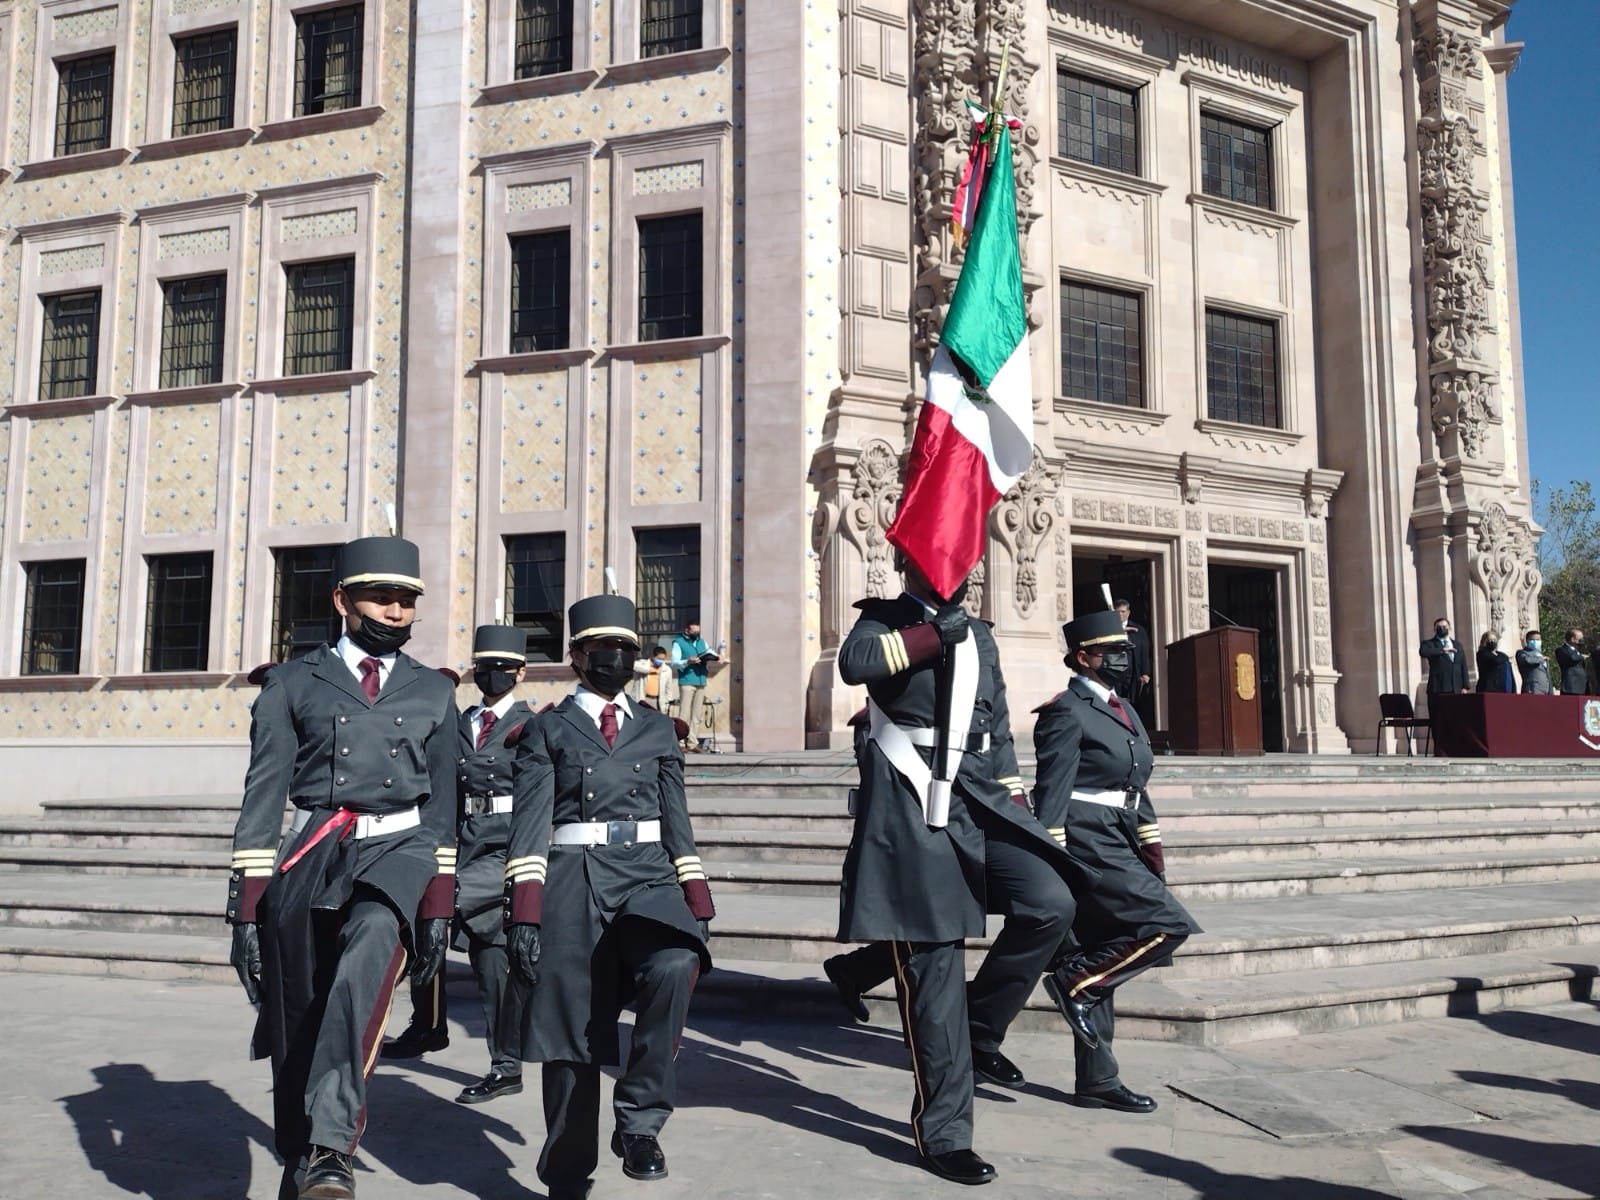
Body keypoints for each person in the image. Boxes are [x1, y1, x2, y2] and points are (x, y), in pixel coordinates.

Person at [835, 557, 1095, 1187]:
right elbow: (856, 667)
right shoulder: (884, 619)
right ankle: (945, 1130)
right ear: (910, 563)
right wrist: (932, 635)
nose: (955, 568)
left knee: (1051, 901)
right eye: (938, 557)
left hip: (980, 798)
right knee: (934, 962)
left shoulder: (979, 632)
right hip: (911, 803)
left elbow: (997, 724)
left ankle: (979, 1029)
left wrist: (1013, 794)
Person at [226, 537, 459, 1200]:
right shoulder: (292, 683)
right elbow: (264, 792)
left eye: (407, 599)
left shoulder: (434, 692)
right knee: (299, 1006)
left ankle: (332, 1146)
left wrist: (437, 905)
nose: (395, 611)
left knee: (366, 954)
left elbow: (441, 809)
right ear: (341, 601)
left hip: (400, 853)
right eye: (381, 597)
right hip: (314, 852)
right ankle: (301, 1148)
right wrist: (246, 907)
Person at [505, 593, 714, 1200]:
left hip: (647, 875)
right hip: (573, 877)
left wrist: (696, 901)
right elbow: (529, 823)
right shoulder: (547, 728)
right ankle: (568, 1171)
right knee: (573, 1027)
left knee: (676, 963)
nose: (615, 659)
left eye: (625, 649)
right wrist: (525, 911)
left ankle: (641, 1122)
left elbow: (677, 819)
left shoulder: (656, 728)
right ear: (576, 655)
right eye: (602, 649)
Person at [1032, 605, 1200, 1116]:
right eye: (1112, 652)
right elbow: (1052, 794)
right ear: (1083, 657)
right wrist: (1057, 858)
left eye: (1126, 651)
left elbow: (1136, 789)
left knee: (1104, 947)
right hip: (1087, 839)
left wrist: (1152, 853)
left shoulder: (1123, 710)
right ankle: (1072, 985)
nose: (1123, 659)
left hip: (1120, 835)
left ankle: (1098, 1079)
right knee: (1166, 924)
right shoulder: (1067, 710)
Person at [382, 625, 534, 1107]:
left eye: (504, 669)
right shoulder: (461, 721)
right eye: (485, 668)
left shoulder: (536, 724)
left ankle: (491, 1055)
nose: (493, 676)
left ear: (521, 673)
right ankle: (477, 1051)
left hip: (509, 848)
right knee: (490, 961)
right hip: (464, 841)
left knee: (433, 910)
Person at [669, 619, 715, 752]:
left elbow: (710, 652)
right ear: (687, 631)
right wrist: (687, 661)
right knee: (684, 713)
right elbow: (674, 662)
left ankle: (692, 743)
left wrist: (718, 657)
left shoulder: (702, 642)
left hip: (701, 680)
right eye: (694, 631)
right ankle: (680, 743)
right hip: (687, 681)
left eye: (698, 631)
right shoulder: (679, 642)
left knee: (697, 714)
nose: (696, 633)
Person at [1114, 598, 1155, 729]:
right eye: (1118, 612)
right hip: (1116, 671)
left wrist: (1145, 672)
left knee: (1134, 702)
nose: (1120, 614)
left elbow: (1144, 651)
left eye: (1123, 611)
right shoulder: (1109, 629)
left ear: (1128, 612)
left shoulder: (1138, 630)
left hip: (1133, 671)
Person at [1419, 616, 1468, 696]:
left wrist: (1465, 686)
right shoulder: (1429, 644)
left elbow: (1463, 665)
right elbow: (1423, 652)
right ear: (1435, 629)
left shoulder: (1457, 645)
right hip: (1438, 688)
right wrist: (1442, 650)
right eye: (1439, 627)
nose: (1442, 629)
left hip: (1456, 688)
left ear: (1449, 628)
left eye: (1444, 627)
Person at [629, 644, 678, 711]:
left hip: (657, 700)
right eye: (659, 659)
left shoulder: (666, 670)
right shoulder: (643, 664)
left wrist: (668, 703)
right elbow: (634, 666)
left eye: (663, 659)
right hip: (643, 698)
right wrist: (651, 670)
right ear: (653, 656)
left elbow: (668, 688)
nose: (661, 661)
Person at [1516, 630, 1553, 694]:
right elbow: (1527, 661)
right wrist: (1541, 659)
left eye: (1538, 640)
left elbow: (1547, 675)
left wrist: (1551, 691)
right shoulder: (1522, 653)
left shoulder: (1540, 654)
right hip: (1532, 688)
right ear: (1527, 641)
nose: (1536, 642)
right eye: (1533, 640)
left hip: (1545, 689)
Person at [1556, 629, 1589, 695]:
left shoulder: (1577, 651)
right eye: (1580, 638)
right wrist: (1582, 657)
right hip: (1571, 688)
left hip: (1582, 687)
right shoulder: (1562, 650)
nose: (1582, 640)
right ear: (1573, 639)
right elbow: (1572, 658)